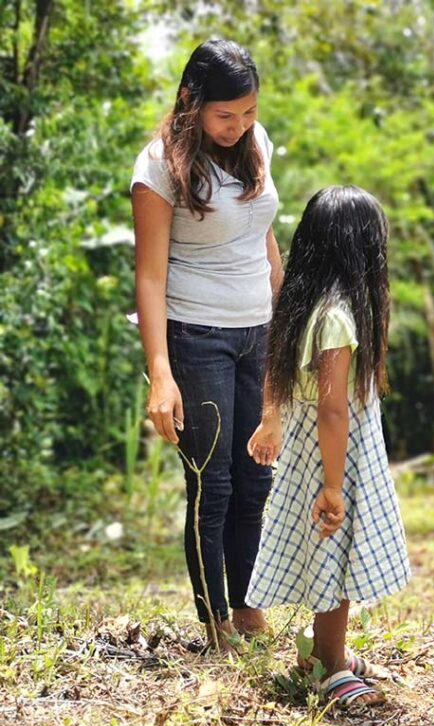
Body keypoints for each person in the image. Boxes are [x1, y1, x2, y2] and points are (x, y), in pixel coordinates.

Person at [132, 39, 281, 649]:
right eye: (226, 116)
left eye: (247, 113)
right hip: (197, 338)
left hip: (260, 331)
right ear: (192, 101)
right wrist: (160, 374)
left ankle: (248, 605)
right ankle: (214, 619)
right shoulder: (159, 170)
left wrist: (288, 315)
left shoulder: (257, 143)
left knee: (255, 478)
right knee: (211, 483)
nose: (239, 126)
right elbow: (149, 276)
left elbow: (266, 240)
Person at [245, 185, 411, 708]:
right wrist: (335, 488)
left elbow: (282, 377)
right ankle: (330, 666)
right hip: (334, 456)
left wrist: (271, 420)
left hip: (320, 448)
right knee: (335, 556)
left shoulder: (304, 305)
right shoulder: (338, 315)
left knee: (329, 555)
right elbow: (333, 407)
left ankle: (322, 649)